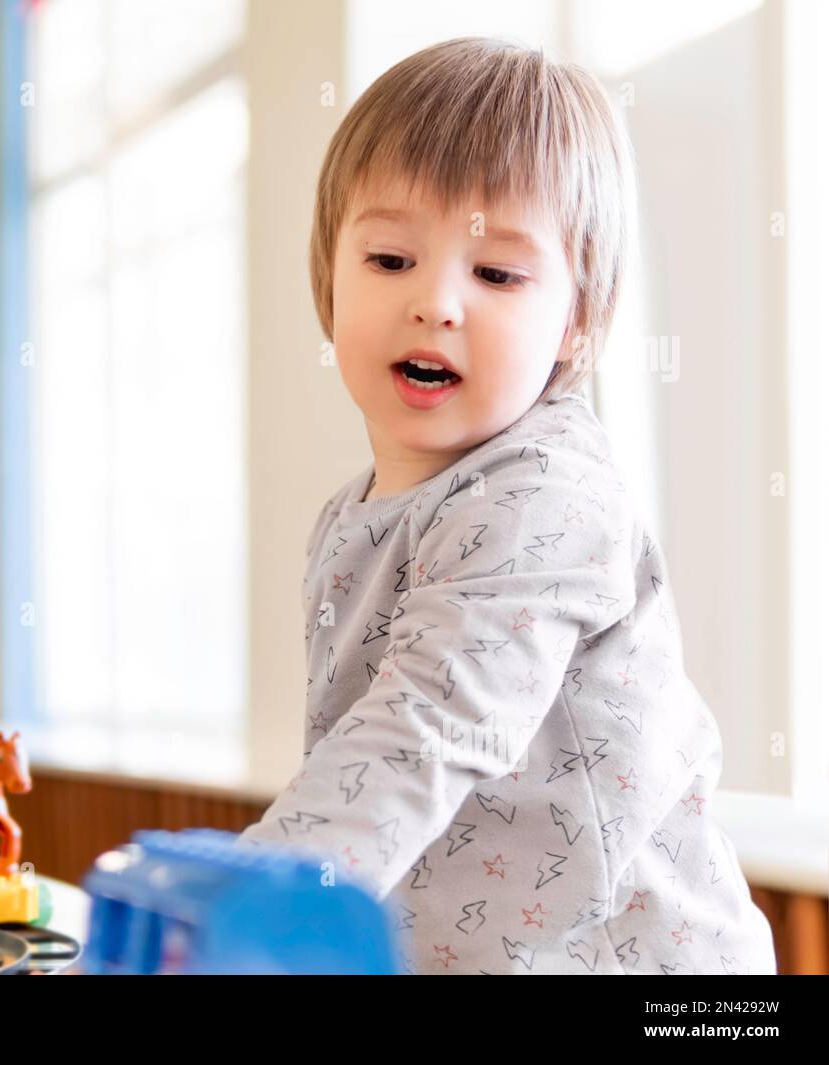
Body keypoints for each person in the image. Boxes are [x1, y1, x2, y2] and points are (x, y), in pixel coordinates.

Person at [235, 36, 777, 976]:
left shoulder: (546, 496)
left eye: (496, 274)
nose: (437, 302)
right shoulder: (349, 516)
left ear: (575, 320)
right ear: (331, 277)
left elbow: (427, 728)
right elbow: (362, 764)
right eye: (392, 256)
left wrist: (241, 909)